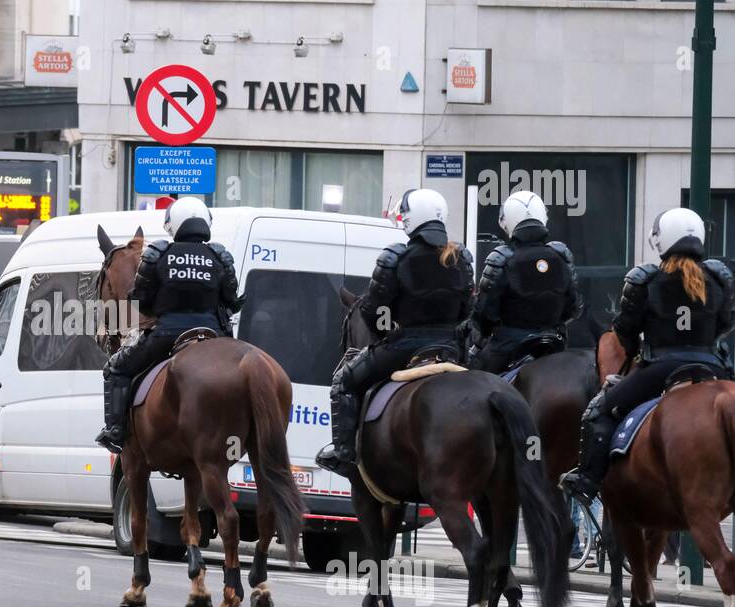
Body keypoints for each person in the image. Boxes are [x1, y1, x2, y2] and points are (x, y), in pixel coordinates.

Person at [560, 207, 735, 503]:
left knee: (598, 412)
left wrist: (634, 350)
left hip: (660, 367)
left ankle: (587, 482)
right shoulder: (718, 278)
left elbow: (626, 329)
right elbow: (726, 323)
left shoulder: (645, 279)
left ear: (661, 240)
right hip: (711, 366)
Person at [315, 188, 474, 478]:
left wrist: (385, 334)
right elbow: (467, 310)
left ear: (413, 219)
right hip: (451, 349)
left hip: (405, 347)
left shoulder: (396, 256)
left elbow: (373, 311)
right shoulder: (460, 256)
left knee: (344, 382)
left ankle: (344, 454)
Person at [95, 197, 242, 455]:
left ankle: (116, 433)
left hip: (166, 334)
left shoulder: (159, 253)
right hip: (215, 337)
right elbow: (232, 300)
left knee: (115, 368)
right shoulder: (219, 255)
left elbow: (139, 299)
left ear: (172, 225)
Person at [468, 191, 583, 373]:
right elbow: (573, 308)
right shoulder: (561, 255)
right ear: (543, 217)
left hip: (509, 346)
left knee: (474, 379)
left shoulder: (501, 258)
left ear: (507, 221)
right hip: (553, 342)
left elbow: (484, 315)